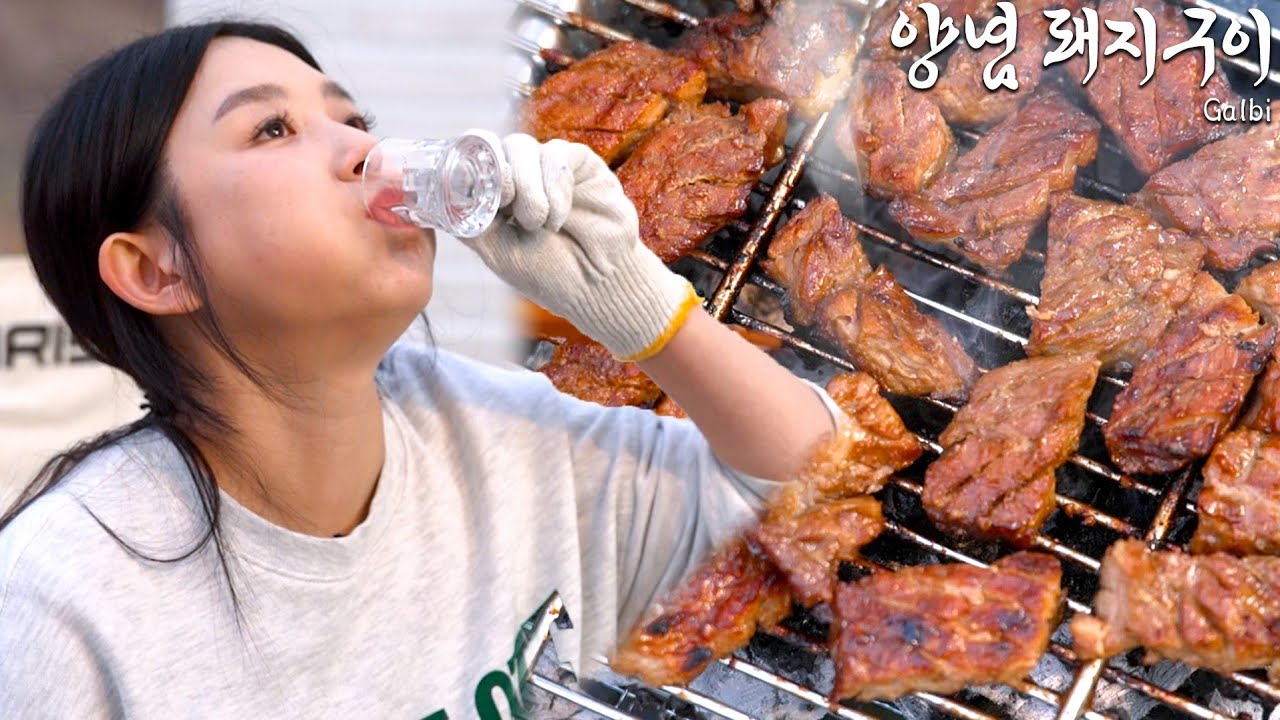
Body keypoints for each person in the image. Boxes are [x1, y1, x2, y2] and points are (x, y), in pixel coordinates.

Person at [0, 19, 840, 719]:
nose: (366, 150)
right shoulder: (63, 599)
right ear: (156, 270)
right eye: (272, 129)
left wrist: (638, 306)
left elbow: (810, 478)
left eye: (353, 118)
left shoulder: (484, 431)